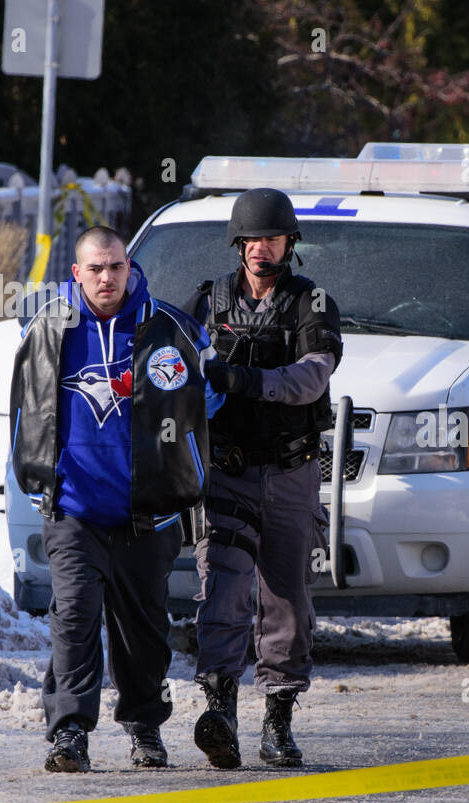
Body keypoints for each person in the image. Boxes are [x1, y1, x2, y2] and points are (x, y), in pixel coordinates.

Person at [10, 226, 215, 772]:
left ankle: (145, 728)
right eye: (95, 269)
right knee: (73, 616)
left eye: (116, 267)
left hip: (147, 512)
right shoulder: (49, 327)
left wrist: (187, 470)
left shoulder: (167, 328)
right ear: (75, 273)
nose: (107, 277)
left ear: (130, 267)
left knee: (144, 627)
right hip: (74, 509)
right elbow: (24, 407)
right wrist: (36, 478)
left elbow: (205, 404)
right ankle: (69, 733)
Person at [187, 187, 343, 770]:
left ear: (290, 243)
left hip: (290, 470)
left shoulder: (312, 301)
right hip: (227, 470)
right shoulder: (211, 300)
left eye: (272, 239)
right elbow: (172, 362)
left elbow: (310, 379)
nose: (261, 249)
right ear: (239, 243)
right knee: (223, 592)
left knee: (287, 601)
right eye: (252, 239)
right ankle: (219, 714)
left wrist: (245, 382)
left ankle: (277, 722)